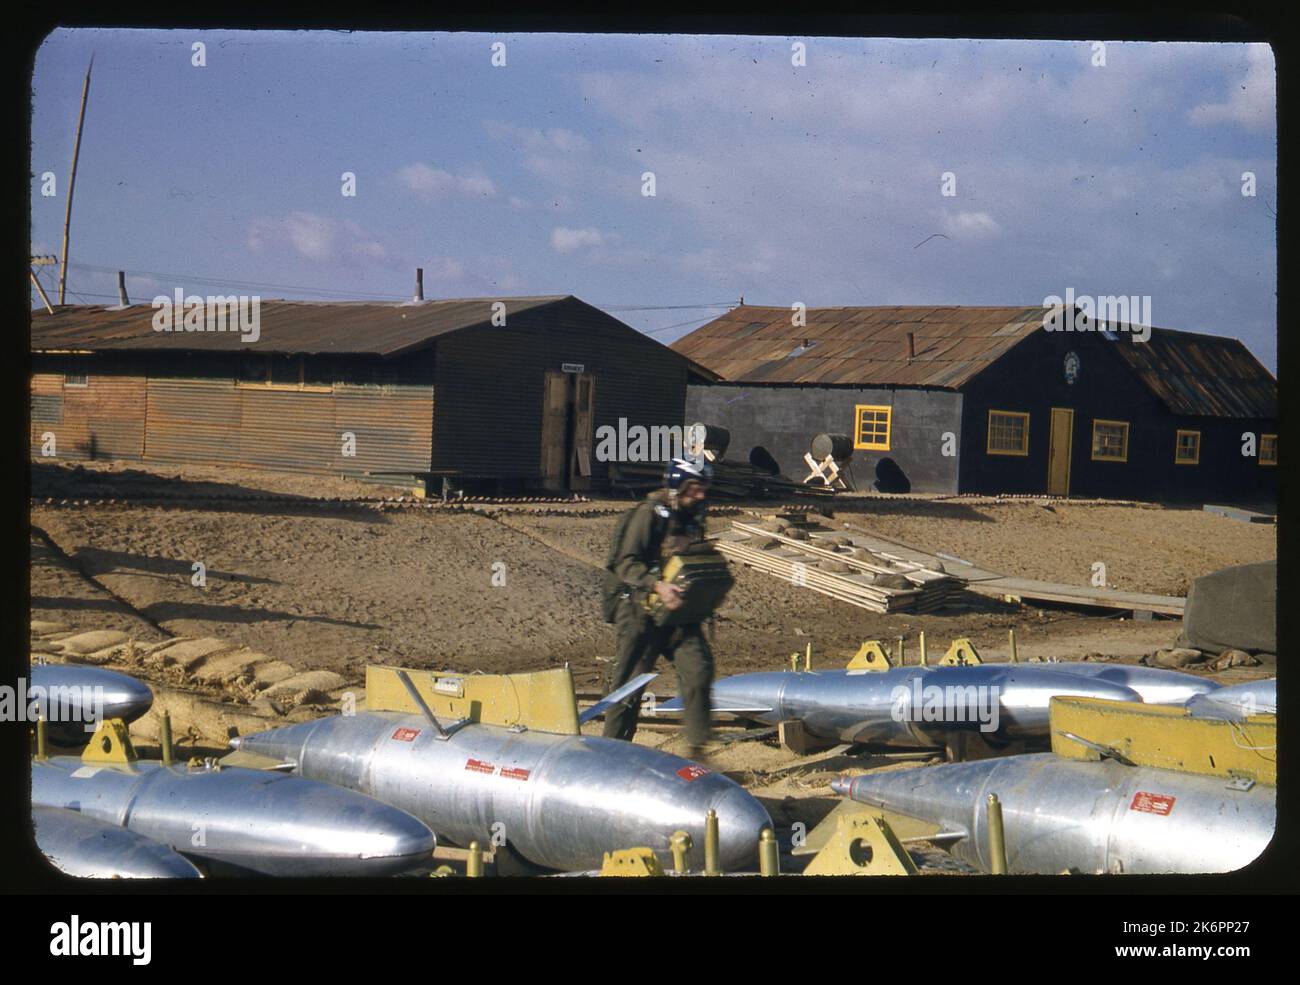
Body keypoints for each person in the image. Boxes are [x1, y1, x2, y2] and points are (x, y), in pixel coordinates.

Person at [602, 457, 715, 756]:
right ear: (679, 485)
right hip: (640, 611)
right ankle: (612, 755)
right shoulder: (649, 514)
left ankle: (696, 749)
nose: (701, 495)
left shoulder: (693, 517)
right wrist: (657, 585)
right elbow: (625, 563)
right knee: (628, 687)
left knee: (698, 670)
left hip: (679, 613)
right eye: (695, 488)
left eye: (703, 488)